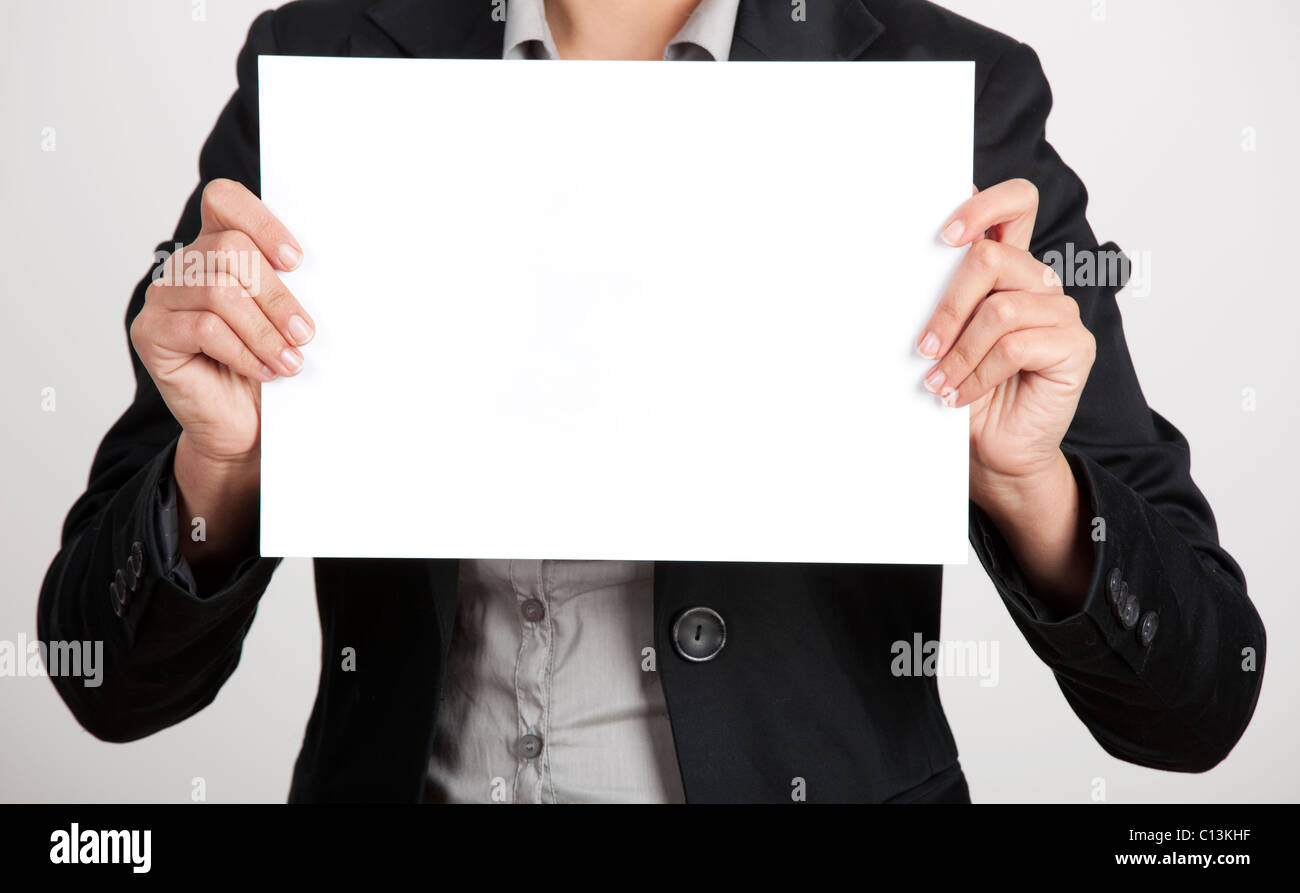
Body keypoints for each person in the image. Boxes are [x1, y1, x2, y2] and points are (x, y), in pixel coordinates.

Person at [38, 0, 1266, 803]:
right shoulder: (323, 64)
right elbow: (103, 676)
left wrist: (1029, 488)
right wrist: (222, 467)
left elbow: (1198, 701)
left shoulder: (953, 92)